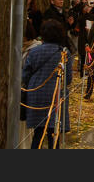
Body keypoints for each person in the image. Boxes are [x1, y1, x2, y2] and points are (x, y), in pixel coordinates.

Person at [21, 19, 72, 147]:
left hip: (36, 94)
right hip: (56, 94)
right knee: (54, 133)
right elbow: (68, 78)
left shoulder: (34, 52)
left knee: (38, 132)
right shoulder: (64, 53)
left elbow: (25, 76)